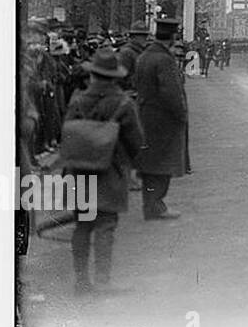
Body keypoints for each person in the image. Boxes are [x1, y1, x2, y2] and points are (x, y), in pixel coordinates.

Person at [62, 45, 145, 295]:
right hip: (110, 173)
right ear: (115, 77)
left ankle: (80, 281)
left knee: (83, 225)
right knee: (106, 225)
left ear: (93, 74)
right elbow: (137, 141)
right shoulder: (124, 103)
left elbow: (66, 133)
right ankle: (102, 281)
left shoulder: (78, 100)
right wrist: (126, 163)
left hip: (80, 172)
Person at [133, 15, 188, 220]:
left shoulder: (145, 56)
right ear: (173, 36)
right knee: (163, 164)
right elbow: (171, 93)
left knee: (150, 164)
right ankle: (157, 205)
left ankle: (150, 205)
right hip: (164, 120)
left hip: (146, 116)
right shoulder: (164, 59)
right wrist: (181, 114)